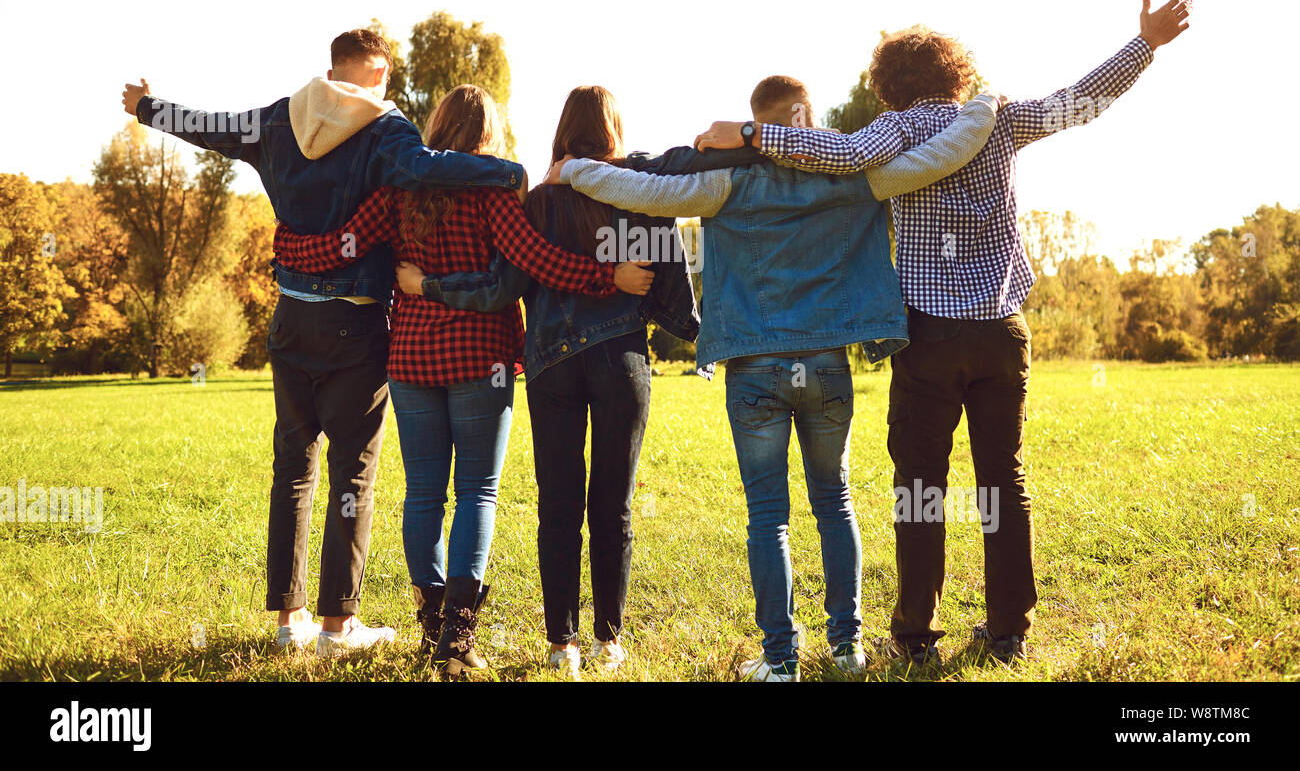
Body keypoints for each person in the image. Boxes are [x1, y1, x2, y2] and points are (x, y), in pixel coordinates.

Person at [696, 0, 1192, 664]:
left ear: (889, 82)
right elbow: (1080, 101)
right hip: (999, 331)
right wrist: (1146, 44)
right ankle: (1010, 630)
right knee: (1001, 482)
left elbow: (836, 154)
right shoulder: (998, 117)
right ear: (956, 71)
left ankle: (915, 638)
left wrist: (754, 136)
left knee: (922, 486)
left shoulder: (898, 126)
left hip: (929, 334)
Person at [546, 76, 1002, 680]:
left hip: (755, 366)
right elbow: (940, 156)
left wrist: (572, 170)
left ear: (754, 123)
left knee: (769, 515)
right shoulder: (855, 179)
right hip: (825, 364)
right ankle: (847, 649)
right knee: (835, 504)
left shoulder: (725, 186)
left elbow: (639, 189)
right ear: (804, 117)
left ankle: (780, 659)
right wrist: (986, 107)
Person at [120, 29, 527, 657]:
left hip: (290, 318)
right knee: (352, 473)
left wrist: (149, 109)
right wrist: (505, 171)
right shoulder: (385, 127)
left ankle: (290, 620)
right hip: (354, 319)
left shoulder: (282, 119)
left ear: (333, 66)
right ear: (381, 71)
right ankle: (339, 625)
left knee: (292, 469)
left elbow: (212, 127)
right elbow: (425, 169)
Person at [272, 85, 653, 677]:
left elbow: (343, 243)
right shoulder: (493, 192)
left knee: (424, 491)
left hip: (412, 361)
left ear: (437, 127)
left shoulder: (396, 192)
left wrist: (289, 247)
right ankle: (459, 627)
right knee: (477, 490)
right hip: (481, 358)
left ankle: (431, 617)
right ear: (487, 135)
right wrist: (608, 278)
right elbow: (536, 262)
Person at [399, 86, 704, 678]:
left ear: (561, 132)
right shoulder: (637, 197)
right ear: (612, 128)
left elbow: (511, 280)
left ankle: (559, 641)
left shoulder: (533, 202)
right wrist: (681, 322)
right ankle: (609, 640)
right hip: (620, 361)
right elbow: (667, 267)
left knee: (557, 503)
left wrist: (428, 286)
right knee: (612, 504)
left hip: (550, 367)